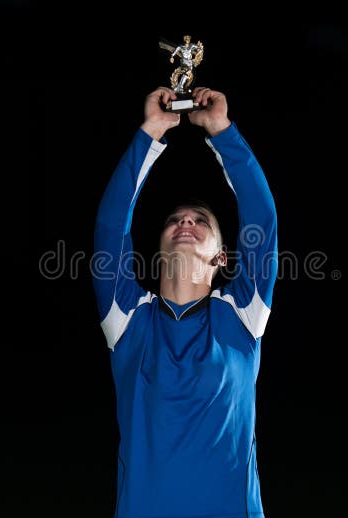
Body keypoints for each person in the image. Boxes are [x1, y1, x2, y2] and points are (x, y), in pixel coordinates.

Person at [92, 86, 278, 518]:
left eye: (200, 221)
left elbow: (261, 220)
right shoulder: (127, 318)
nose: (185, 222)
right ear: (158, 250)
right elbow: (109, 226)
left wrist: (220, 130)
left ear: (221, 256)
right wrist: (152, 131)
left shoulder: (242, 316)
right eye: (175, 220)